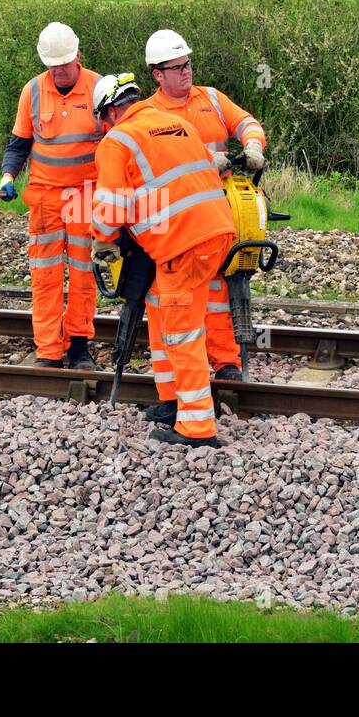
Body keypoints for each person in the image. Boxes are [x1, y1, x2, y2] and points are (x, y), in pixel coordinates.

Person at [91, 72, 235, 449]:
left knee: (181, 332)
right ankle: (172, 400)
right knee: (164, 309)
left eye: (102, 120)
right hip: (218, 230)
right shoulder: (177, 123)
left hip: (181, 244)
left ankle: (197, 428)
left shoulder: (117, 140)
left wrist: (103, 246)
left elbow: (111, 206)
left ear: (109, 113)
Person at [140, 29, 269, 382]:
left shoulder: (211, 99)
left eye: (188, 64)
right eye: (177, 67)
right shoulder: (149, 114)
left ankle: (226, 362)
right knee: (186, 293)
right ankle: (190, 365)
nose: (186, 72)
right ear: (158, 74)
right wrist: (204, 161)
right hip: (178, 214)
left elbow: (245, 122)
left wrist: (253, 145)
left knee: (221, 285)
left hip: (220, 207)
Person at [0, 22, 104, 370]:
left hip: (87, 196)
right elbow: (20, 143)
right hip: (45, 196)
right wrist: (8, 176)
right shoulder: (33, 91)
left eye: (64, 63)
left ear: (78, 57)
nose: (58, 70)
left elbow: (117, 141)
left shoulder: (99, 88)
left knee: (85, 274)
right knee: (45, 275)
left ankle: (79, 347)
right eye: (52, 65)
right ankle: (48, 350)